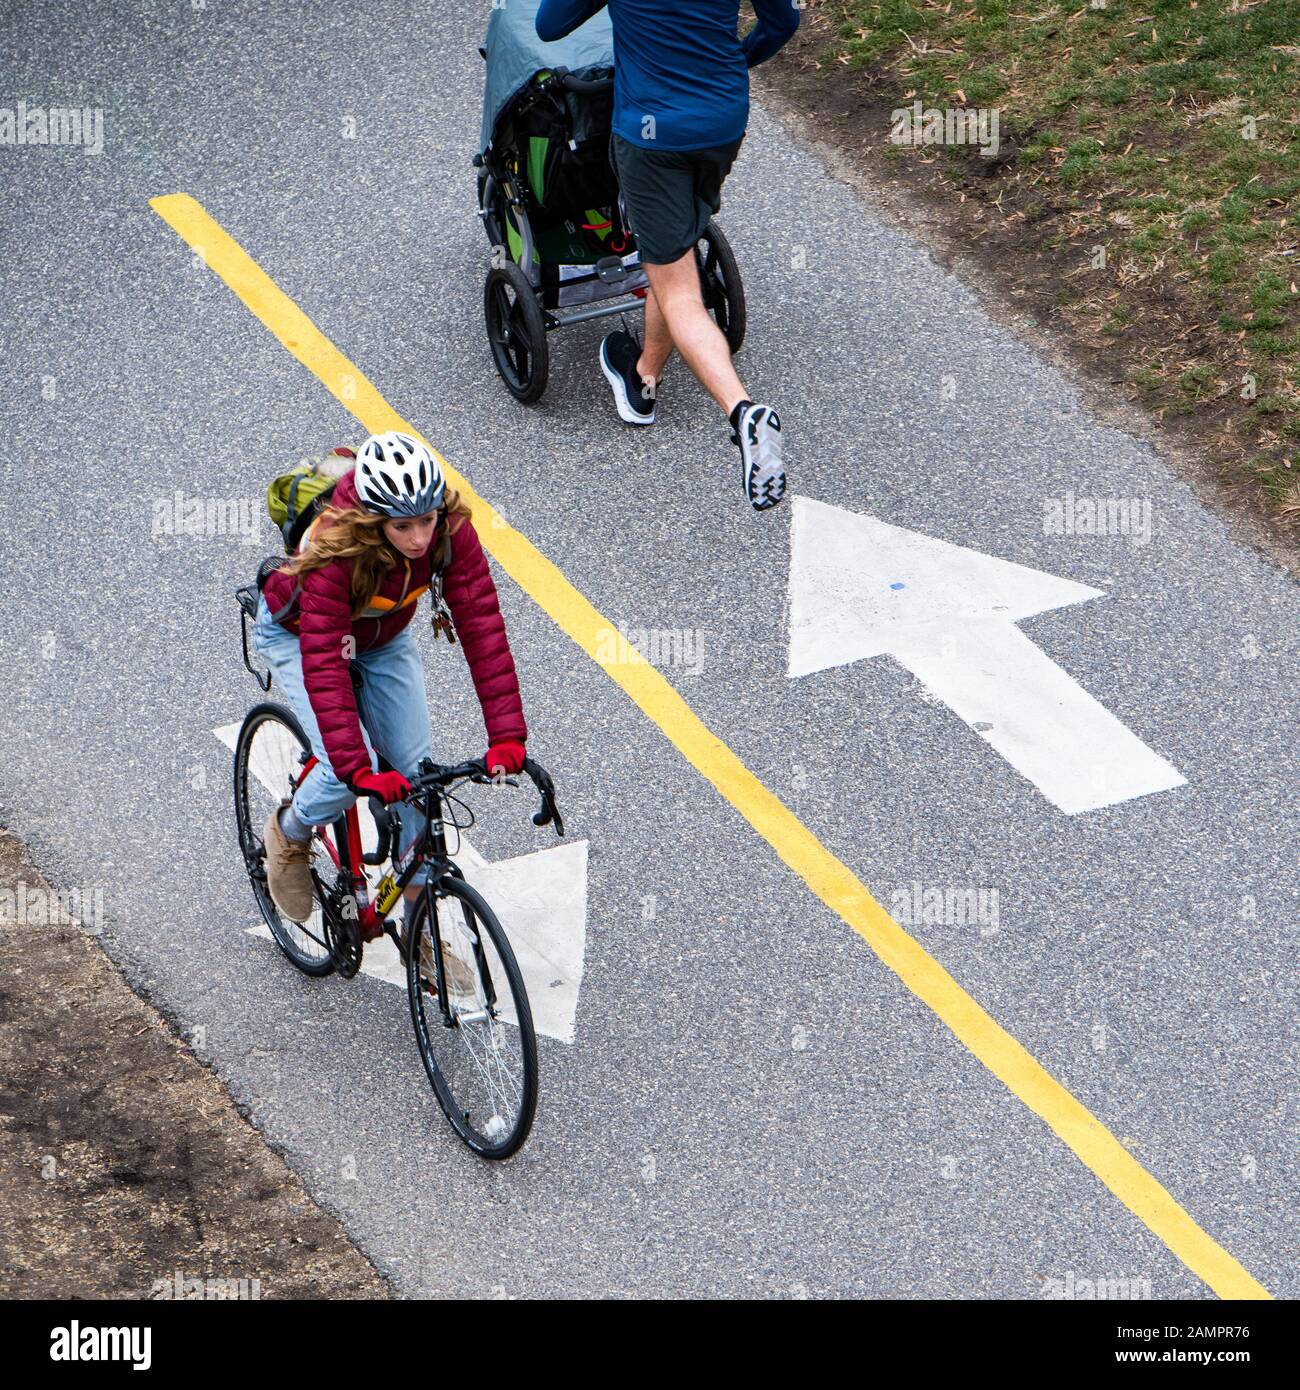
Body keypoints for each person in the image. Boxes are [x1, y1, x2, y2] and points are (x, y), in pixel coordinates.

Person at [253, 431, 528, 958]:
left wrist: (507, 736)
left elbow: (484, 629)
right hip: (301, 633)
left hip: (382, 636)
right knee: (339, 770)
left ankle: (421, 934)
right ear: (374, 520)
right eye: (403, 527)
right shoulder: (337, 549)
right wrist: (357, 768)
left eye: (427, 521)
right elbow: (325, 666)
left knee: (421, 779)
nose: (420, 538)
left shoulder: (449, 530)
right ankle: (288, 832)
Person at [535, 0, 800, 511]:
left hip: (652, 135)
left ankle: (742, 414)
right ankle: (642, 377)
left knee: (679, 289)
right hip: (723, 120)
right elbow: (782, 21)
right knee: (675, 249)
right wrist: (737, 60)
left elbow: (549, 25)